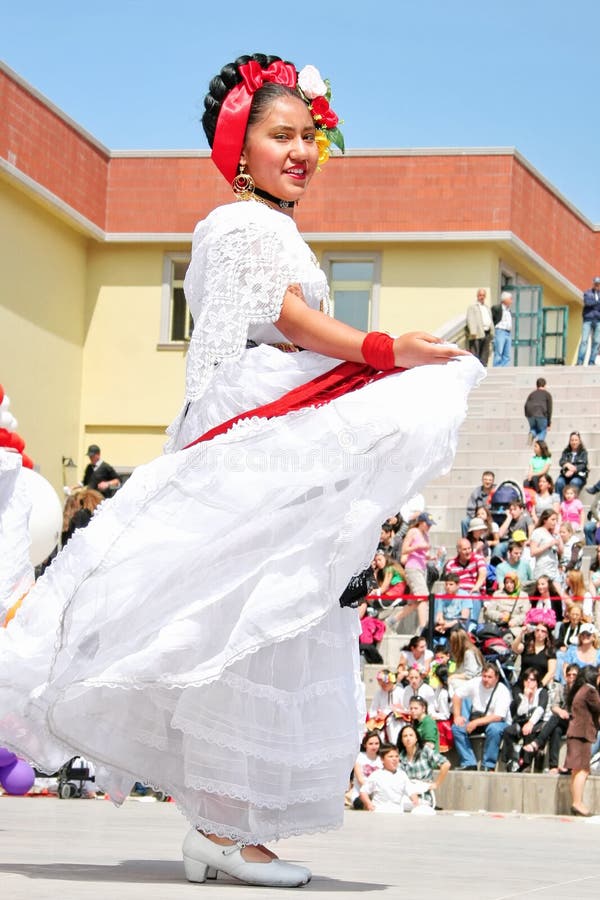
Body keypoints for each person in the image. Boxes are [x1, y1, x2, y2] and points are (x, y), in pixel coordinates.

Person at [0, 52, 479, 889]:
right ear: (242, 147)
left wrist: (380, 361)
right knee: (240, 624)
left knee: (260, 625)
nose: (299, 151)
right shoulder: (238, 226)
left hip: (270, 430)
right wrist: (382, 349)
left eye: (308, 137)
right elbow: (285, 319)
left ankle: (221, 826)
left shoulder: (274, 229)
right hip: (253, 436)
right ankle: (222, 828)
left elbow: (291, 326)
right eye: (279, 135)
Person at [451, 663, 511, 771]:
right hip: (477, 718)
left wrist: (475, 723)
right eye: (484, 676)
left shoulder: (503, 691)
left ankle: (488, 765)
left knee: (494, 729)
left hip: (497, 722)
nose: (486, 679)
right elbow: (457, 695)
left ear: (496, 678)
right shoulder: (475, 682)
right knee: (457, 728)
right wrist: (457, 716)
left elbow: (498, 716)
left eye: (489, 677)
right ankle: (469, 762)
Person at [524, 664, 578, 774]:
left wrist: (564, 713)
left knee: (555, 719)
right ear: (565, 676)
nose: (571, 677)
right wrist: (561, 711)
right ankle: (553, 765)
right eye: (569, 675)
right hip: (563, 720)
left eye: (574, 675)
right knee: (556, 729)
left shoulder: (581, 691)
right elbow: (554, 706)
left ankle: (537, 743)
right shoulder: (561, 688)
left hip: (577, 721)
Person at [566, 666, 600, 815]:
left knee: (576, 770)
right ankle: (577, 802)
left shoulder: (581, 689)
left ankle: (576, 801)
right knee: (583, 769)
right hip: (582, 733)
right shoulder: (590, 691)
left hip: (576, 732)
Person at [501, 668, 548, 772]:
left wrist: (530, 723)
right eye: (526, 679)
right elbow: (520, 712)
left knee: (530, 731)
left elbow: (540, 709)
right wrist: (526, 697)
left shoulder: (542, 692)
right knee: (508, 731)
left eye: (531, 680)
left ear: (537, 682)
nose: (528, 682)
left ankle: (526, 763)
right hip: (523, 721)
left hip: (539, 722)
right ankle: (509, 760)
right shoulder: (522, 694)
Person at [397, 723, 450, 809]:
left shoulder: (425, 750)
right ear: (401, 740)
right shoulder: (400, 756)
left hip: (424, 795)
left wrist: (436, 784)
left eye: (411, 735)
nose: (408, 738)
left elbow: (446, 764)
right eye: (405, 736)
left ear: (416, 738)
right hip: (407, 795)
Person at [358, 744, 421, 814]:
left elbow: (412, 792)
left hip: (397, 811)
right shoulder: (376, 775)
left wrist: (416, 804)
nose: (394, 759)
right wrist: (369, 804)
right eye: (390, 756)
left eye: (396, 756)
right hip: (379, 811)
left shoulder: (402, 775)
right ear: (382, 759)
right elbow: (363, 792)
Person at [399, 513, 436, 629]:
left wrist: (431, 557)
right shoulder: (413, 532)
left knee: (414, 602)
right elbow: (404, 550)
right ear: (421, 522)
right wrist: (417, 547)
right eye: (427, 524)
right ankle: (423, 627)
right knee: (423, 597)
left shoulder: (426, 535)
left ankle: (393, 620)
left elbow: (423, 554)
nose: (429, 527)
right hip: (413, 567)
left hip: (422, 568)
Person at [512, 618, 557, 687]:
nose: (540, 633)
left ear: (547, 634)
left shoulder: (550, 651)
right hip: (522, 684)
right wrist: (521, 633)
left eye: (543, 631)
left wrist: (539, 686)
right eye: (537, 630)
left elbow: (551, 672)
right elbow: (515, 648)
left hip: (540, 685)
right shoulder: (526, 646)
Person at [348, 731, 382, 808]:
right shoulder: (359, 757)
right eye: (371, 744)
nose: (374, 746)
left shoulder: (381, 759)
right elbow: (360, 780)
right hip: (360, 793)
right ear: (365, 744)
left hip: (377, 793)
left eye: (376, 743)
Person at [529, 510, 564, 584]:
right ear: (545, 520)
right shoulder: (538, 532)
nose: (555, 522)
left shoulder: (553, 533)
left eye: (556, 520)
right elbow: (532, 552)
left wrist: (558, 537)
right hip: (543, 570)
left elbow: (561, 551)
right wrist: (548, 544)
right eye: (552, 519)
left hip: (554, 570)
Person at [460, 471, 495, 538]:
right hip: (477, 517)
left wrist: (487, 518)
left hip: (492, 518)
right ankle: (466, 543)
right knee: (465, 521)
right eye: (485, 479)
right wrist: (478, 517)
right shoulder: (476, 492)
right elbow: (470, 509)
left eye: (490, 480)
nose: (487, 482)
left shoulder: (496, 492)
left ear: (493, 481)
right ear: (482, 480)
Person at [555, 431, 589, 499]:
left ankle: (572, 504)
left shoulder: (583, 452)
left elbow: (583, 465)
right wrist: (567, 464)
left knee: (574, 482)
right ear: (569, 441)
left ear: (579, 441)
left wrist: (573, 470)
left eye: (576, 440)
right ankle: (560, 504)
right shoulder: (566, 451)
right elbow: (561, 461)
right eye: (572, 440)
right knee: (559, 482)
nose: (574, 442)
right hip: (566, 475)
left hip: (578, 476)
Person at [576, 276, 600, 366]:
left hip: (598, 321)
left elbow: (592, 303)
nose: (597, 285)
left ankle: (591, 361)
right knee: (584, 341)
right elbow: (587, 302)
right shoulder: (587, 293)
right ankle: (580, 361)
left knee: (597, 342)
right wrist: (597, 302)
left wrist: (594, 302)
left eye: (599, 284)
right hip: (588, 319)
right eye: (596, 283)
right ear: (593, 283)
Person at [466, 288, 494, 365]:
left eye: (483, 295)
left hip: (487, 332)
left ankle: (484, 366)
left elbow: (490, 319)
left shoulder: (486, 307)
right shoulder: (473, 306)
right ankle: (475, 367)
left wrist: (492, 331)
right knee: (476, 351)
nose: (482, 297)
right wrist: (473, 331)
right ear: (477, 296)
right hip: (477, 332)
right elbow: (470, 319)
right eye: (480, 295)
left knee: (485, 352)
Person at [524, 377, 552, 443]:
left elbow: (526, 405)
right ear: (545, 385)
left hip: (530, 414)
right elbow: (549, 409)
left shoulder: (531, 394)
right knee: (543, 430)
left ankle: (532, 433)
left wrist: (527, 415)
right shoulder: (547, 394)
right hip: (541, 413)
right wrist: (549, 423)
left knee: (533, 428)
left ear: (537, 386)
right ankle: (540, 444)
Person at [492, 291, 513, 367]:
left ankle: (504, 368)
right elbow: (492, 319)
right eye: (510, 299)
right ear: (505, 299)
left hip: (508, 332)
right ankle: (497, 368)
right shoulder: (497, 308)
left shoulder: (508, 310)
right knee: (499, 352)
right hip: (500, 331)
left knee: (507, 354)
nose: (511, 301)